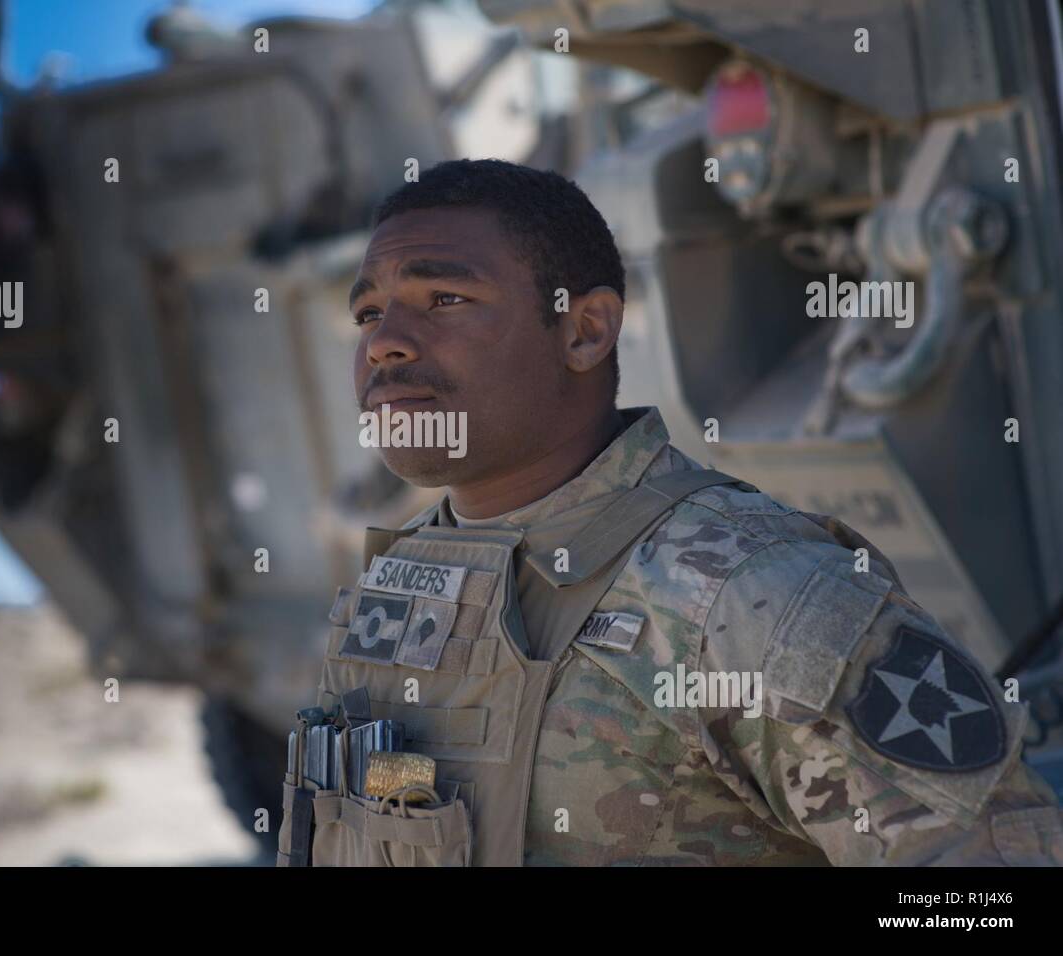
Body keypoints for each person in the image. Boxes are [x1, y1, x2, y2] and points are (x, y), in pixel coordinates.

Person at [279, 158, 1062, 866]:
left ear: (585, 331)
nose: (385, 343)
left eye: (444, 298)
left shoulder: (751, 597)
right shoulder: (400, 584)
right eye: (368, 314)